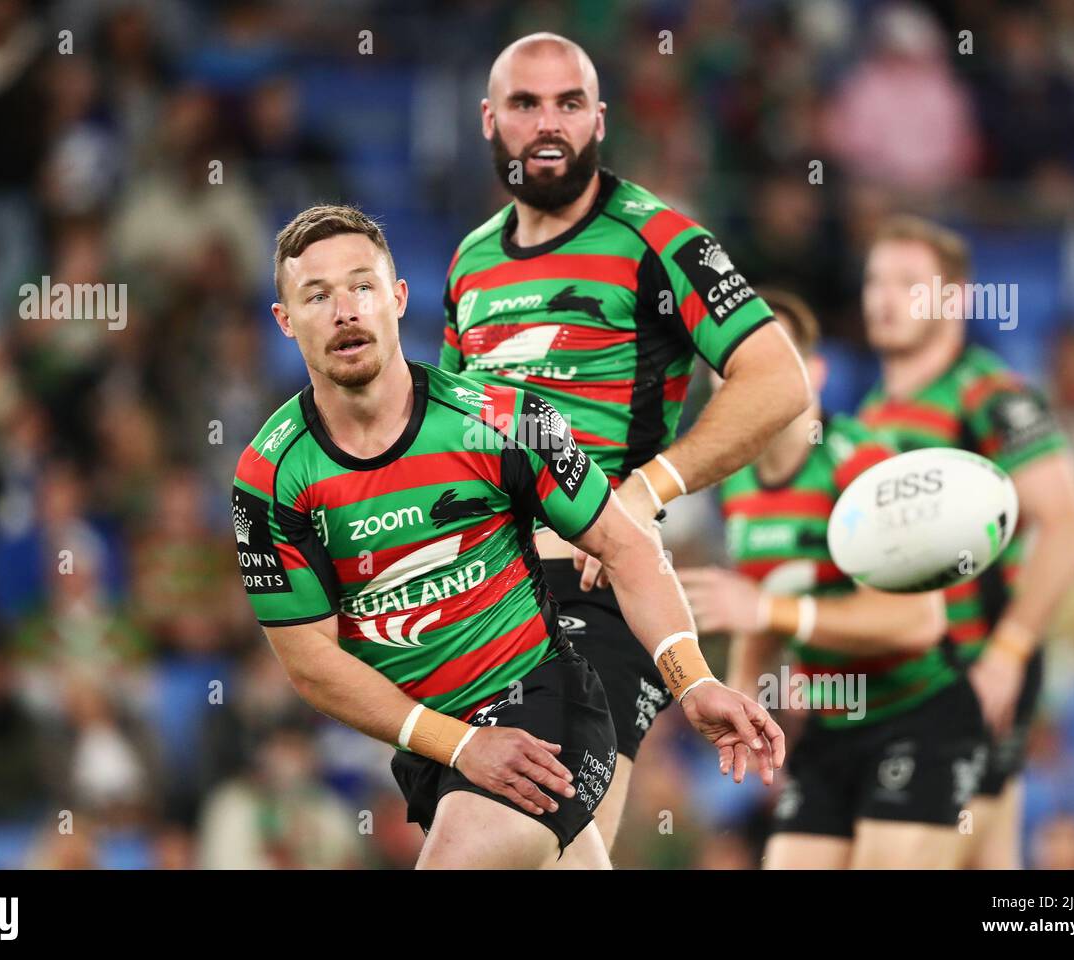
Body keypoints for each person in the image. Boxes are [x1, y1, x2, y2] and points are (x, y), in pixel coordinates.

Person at [232, 204, 784, 869]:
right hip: (437, 753)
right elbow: (309, 661)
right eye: (316, 296)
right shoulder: (269, 478)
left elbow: (627, 546)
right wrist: (456, 745)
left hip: (545, 710)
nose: (345, 310)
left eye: (363, 286)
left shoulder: (504, 419)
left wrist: (693, 682)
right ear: (284, 320)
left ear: (399, 299)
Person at [440, 32, 809, 849]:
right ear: (488, 120)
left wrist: (643, 492)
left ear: (599, 120)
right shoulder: (468, 262)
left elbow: (780, 381)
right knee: (547, 851)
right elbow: (448, 432)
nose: (549, 123)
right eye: (526, 104)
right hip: (479, 596)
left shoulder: (661, 240)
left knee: (535, 832)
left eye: (569, 104)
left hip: (596, 586)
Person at [679, 289, 983, 869]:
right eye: (730, 367)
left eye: (768, 361)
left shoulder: (862, 468)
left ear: (810, 374)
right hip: (830, 725)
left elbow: (919, 620)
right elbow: (761, 608)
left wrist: (768, 612)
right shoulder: (738, 483)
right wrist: (745, 702)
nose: (745, 380)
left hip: (916, 715)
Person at [857, 215, 1074, 868]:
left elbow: (1072, 528)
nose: (883, 296)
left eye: (908, 282)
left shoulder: (989, 396)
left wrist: (1008, 654)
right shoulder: (869, 416)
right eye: (875, 279)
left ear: (955, 299)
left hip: (970, 677)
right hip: (900, 687)